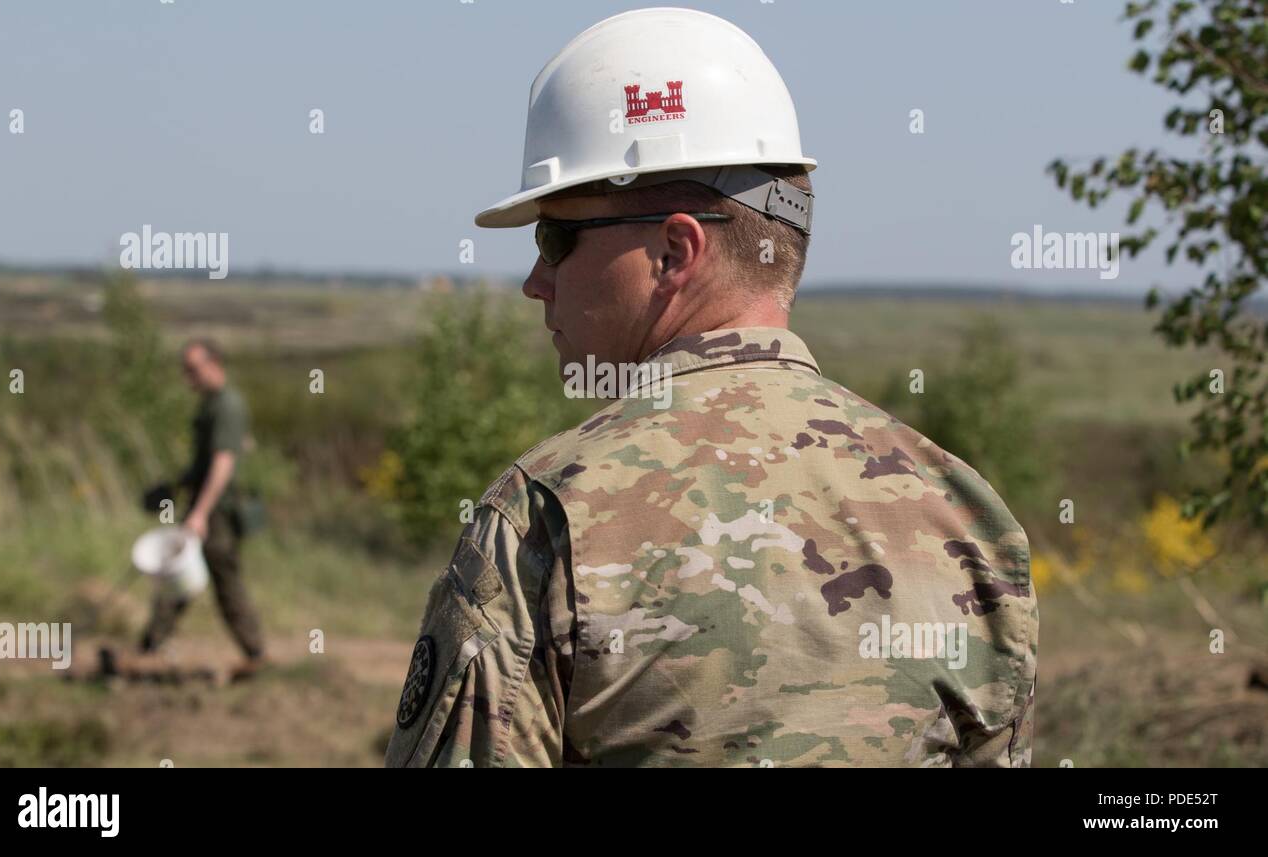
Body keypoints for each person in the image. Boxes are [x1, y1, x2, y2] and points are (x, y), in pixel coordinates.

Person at [386, 7, 1037, 767]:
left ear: (673, 250)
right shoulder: (969, 517)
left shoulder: (544, 520)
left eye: (555, 238)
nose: (536, 281)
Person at [139, 337, 266, 679]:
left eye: (194, 369)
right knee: (184, 574)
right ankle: (151, 644)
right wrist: (175, 487)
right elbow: (206, 463)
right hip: (208, 507)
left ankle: (256, 654)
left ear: (214, 364)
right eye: (185, 370)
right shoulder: (212, 404)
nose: (188, 378)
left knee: (208, 578)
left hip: (217, 512)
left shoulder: (228, 405)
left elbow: (223, 463)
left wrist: (200, 513)